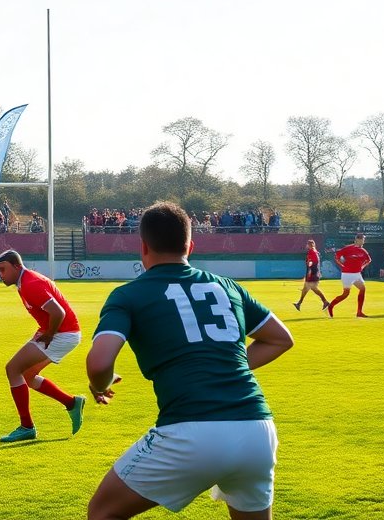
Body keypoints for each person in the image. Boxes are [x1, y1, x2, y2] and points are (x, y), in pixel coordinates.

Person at [85, 202, 294, 520]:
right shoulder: (228, 287)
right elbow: (281, 339)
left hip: (191, 431)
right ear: (190, 246)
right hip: (257, 430)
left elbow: (100, 364)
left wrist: (99, 385)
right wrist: (225, 364)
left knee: (102, 512)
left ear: (142, 247)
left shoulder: (128, 295)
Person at [0, 249, 85, 443]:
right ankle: (71, 403)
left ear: (17, 267)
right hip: (61, 332)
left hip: (63, 333)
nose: (0, 274)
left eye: (3, 269)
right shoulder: (24, 281)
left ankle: (27, 427)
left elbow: (58, 313)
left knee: (13, 369)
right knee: (26, 375)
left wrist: (50, 334)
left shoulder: (30, 284)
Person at [326, 234, 371, 318]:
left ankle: (359, 312)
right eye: (363, 240)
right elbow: (337, 256)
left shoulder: (363, 251)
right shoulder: (348, 248)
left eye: (364, 240)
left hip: (357, 274)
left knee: (362, 289)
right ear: (357, 240)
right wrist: (341, 265)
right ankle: (330, 306)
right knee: (345, 294)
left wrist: (362, 266)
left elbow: (369, 260)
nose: (364, 241)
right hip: (347, 274)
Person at [291, 240, 329, 311]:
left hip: (312, 273)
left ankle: (325, 302)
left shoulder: (312, 252)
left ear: (309, 245)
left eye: (308, 244)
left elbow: (312, 262)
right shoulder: (315, 252)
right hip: (313, 273)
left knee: (314, 289)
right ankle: (299, 304)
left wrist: (310, 268)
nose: (307, 246)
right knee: (305, 289)